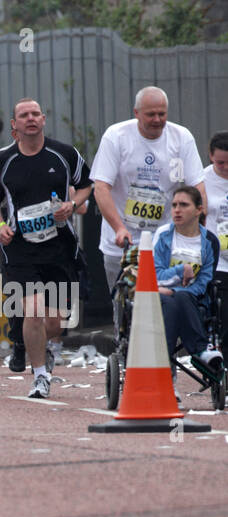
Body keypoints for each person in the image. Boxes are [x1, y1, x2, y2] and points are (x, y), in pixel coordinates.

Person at [0, 97, 93, 399]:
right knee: (32, 311)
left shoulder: (65, 154)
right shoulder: (2, 161)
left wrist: (73, 204)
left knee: (55, 323)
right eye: (23, 115)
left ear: (43, 119)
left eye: (35, 114)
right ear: (14, 125)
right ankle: (40, 375)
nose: (30, 118)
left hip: (58, 248)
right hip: (19, 249)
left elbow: (87, 185)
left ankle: (29, 342)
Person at [92, 87, 206, 291]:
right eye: (150, 114)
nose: (157, 119)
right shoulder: (116, 136)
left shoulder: (181, 137)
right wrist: (118, 228)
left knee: (166, 300)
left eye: (161, 114)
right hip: (122, 241)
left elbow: (197, 187)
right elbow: (101, 188)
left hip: (165, 238)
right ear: (136, 113)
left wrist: (196, 228)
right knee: (124, 302)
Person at [154, 187, 222, 380]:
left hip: (192, 299)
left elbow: (204, 282)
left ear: (199, 210)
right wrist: (180, 270)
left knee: (180, 299)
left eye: (183, 205)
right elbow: (155, 275)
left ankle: (167, 377)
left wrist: (175, 292)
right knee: (172, 303)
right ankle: (201, 351)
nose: (177, 210)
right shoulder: (162, 235)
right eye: (174, 205)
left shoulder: (209, 241)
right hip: (159, 296)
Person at [203, 131, 228, 298]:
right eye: (220, 163)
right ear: (211, 156)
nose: (226, 167)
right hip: (217, 260)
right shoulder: (201, 179)